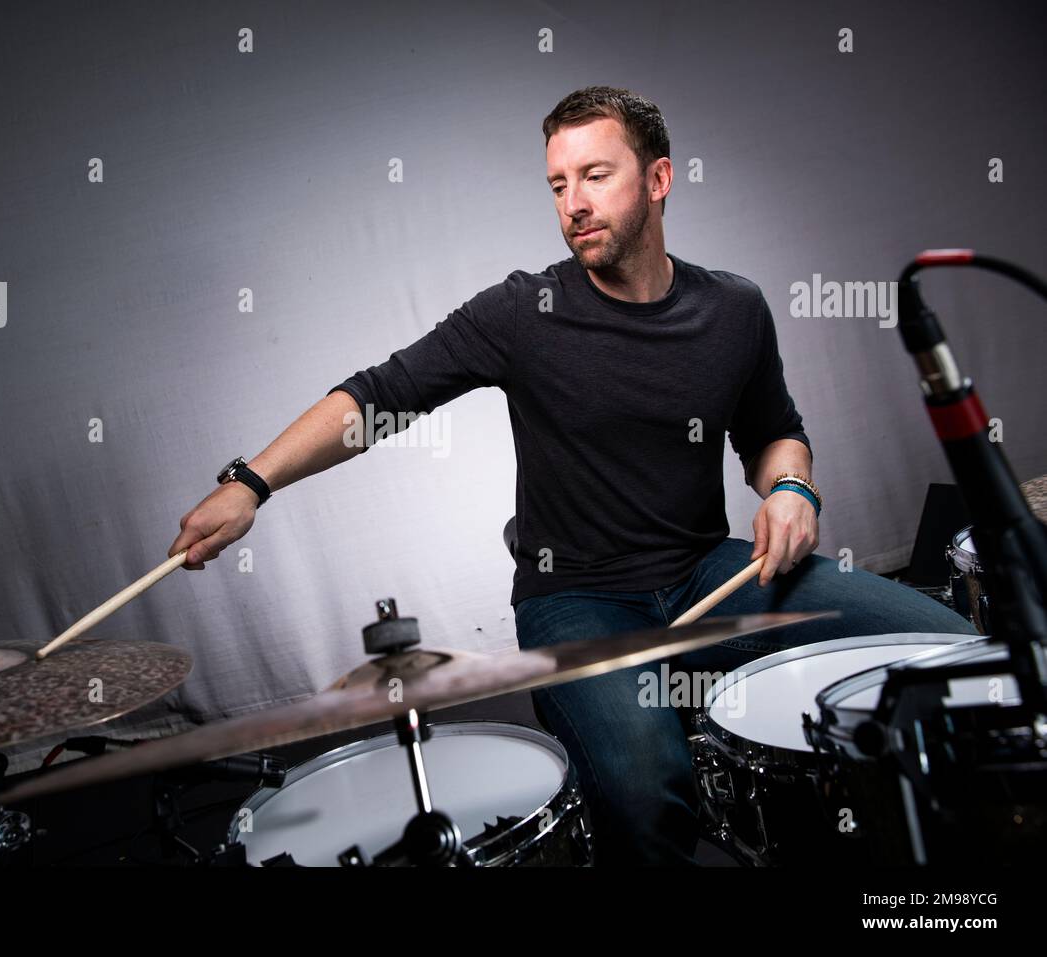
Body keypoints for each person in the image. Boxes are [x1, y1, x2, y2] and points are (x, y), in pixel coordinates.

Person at [167, 86, 976, 865]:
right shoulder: (522, 313)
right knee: (647, 792)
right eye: (558, 184)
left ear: (658, 179)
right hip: (578, 602)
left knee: (950, 648)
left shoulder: (735, 308)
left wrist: (793, 488)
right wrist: (251, 482)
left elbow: (774, 434)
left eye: (595, 175)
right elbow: (378, 395)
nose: (572, 203)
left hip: (709, 572)